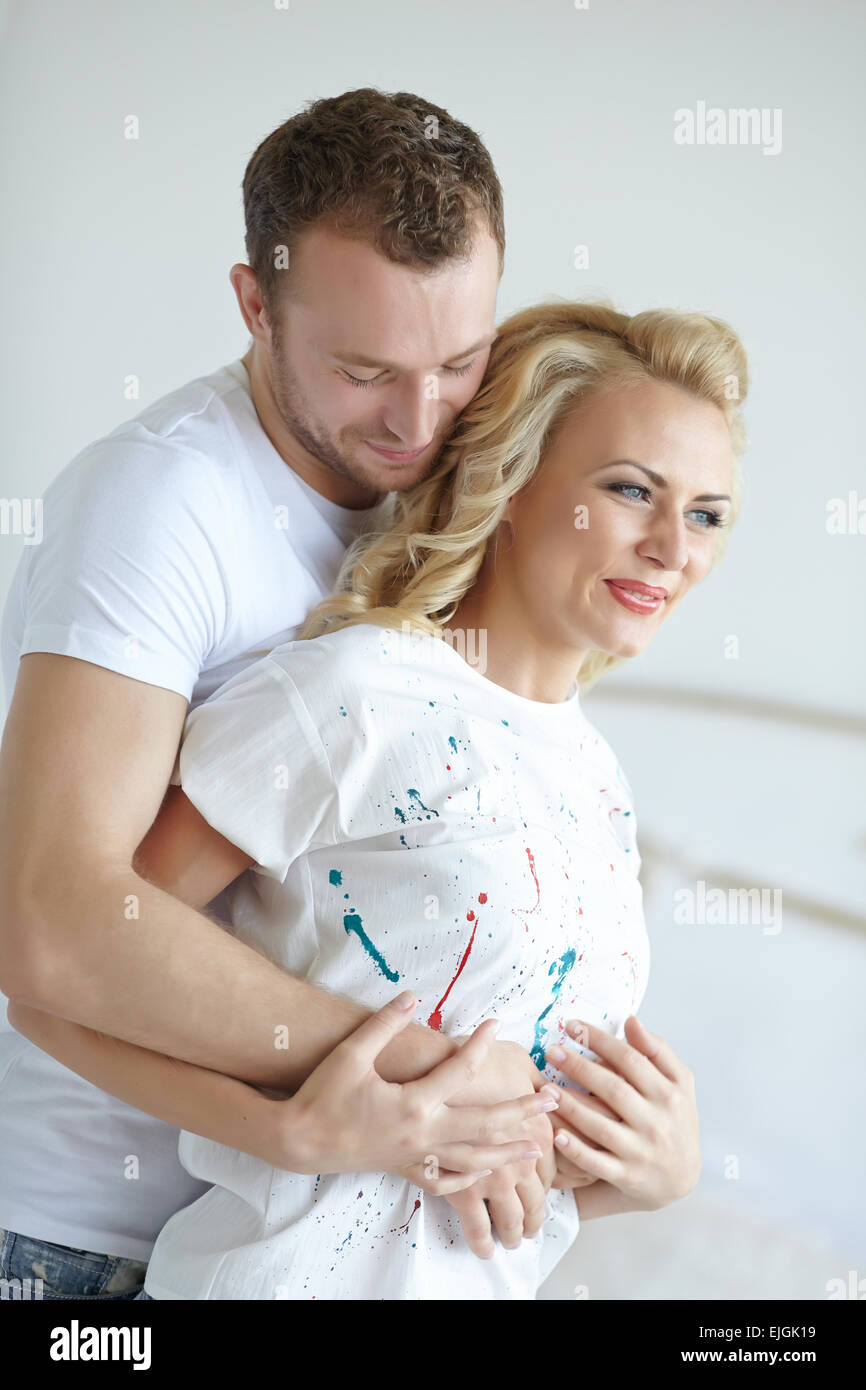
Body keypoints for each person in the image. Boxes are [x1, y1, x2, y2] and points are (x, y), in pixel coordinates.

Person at [11, 297, 745, 1298]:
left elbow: (502, 1168)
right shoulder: (352, 693)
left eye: (706, 513)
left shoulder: (599, 786)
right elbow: (56, 991)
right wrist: (286, 1131)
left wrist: (650, 1172)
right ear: (513, 484)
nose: (673, 545)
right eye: (630, 490)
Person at [0, 87, 572, 1300]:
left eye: (458, 360)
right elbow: (49, 921)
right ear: (255, 303)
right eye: (364, 369)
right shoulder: (156, 505)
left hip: (298, 1227)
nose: (417, 419)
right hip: (77, 1239)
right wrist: (407, 1080)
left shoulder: (458, 495)